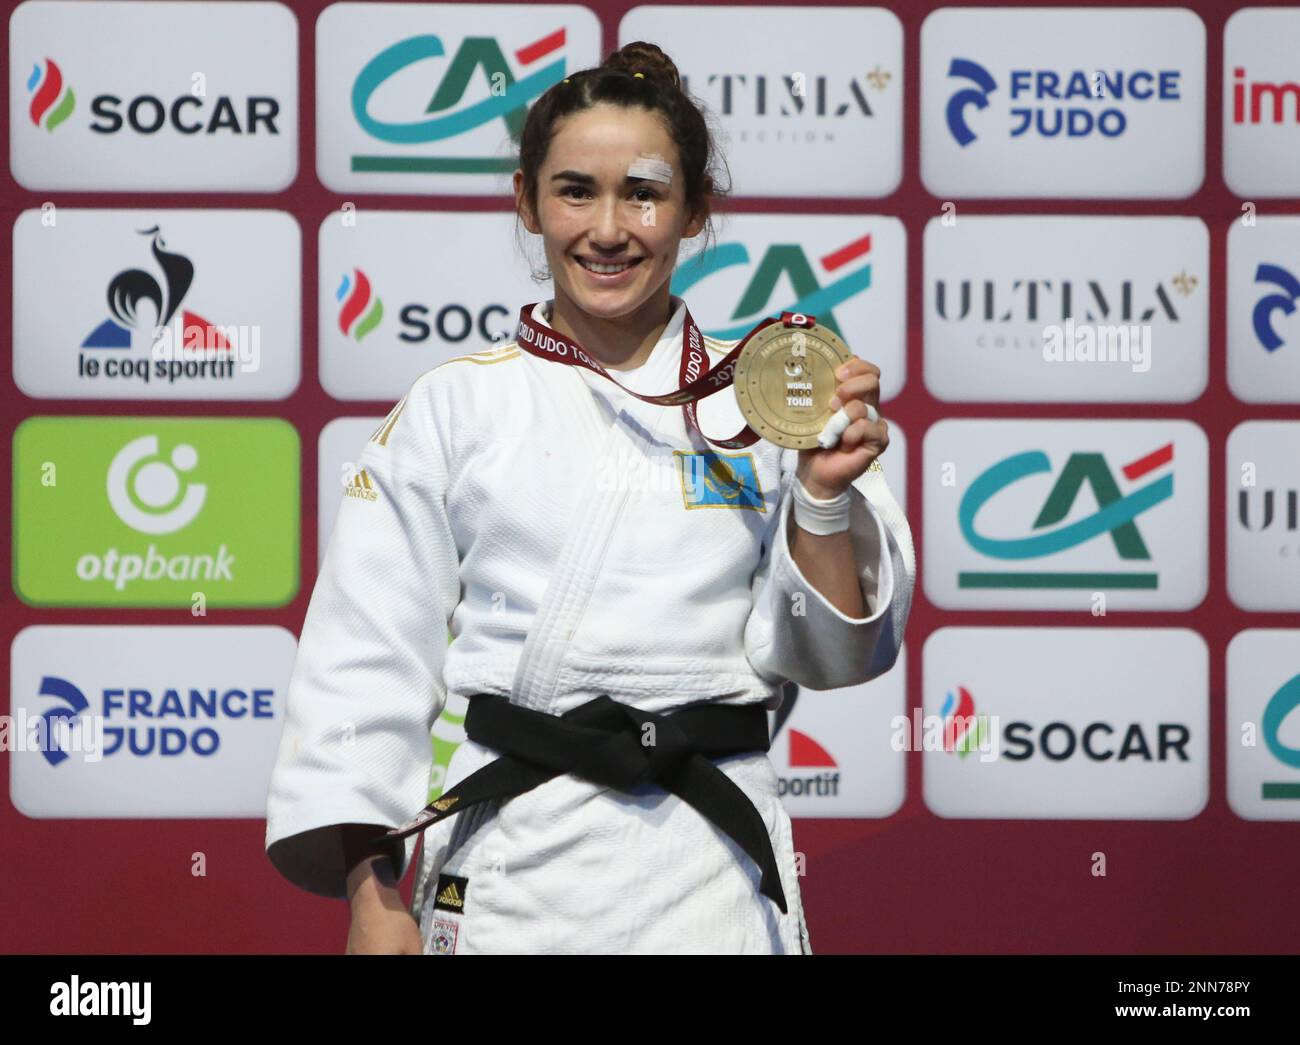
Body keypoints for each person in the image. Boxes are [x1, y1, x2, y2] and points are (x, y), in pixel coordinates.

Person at [264, 40, 915, 955]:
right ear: (526, 201)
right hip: (512, 870)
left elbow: (843, 652)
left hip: (711, 869)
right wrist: (374, 900)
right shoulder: (456, 405)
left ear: (694, 213)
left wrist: (820, 499)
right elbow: (362, 663)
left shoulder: (780, 400)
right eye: (575, 190)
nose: (608, 229)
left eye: (644, 193)